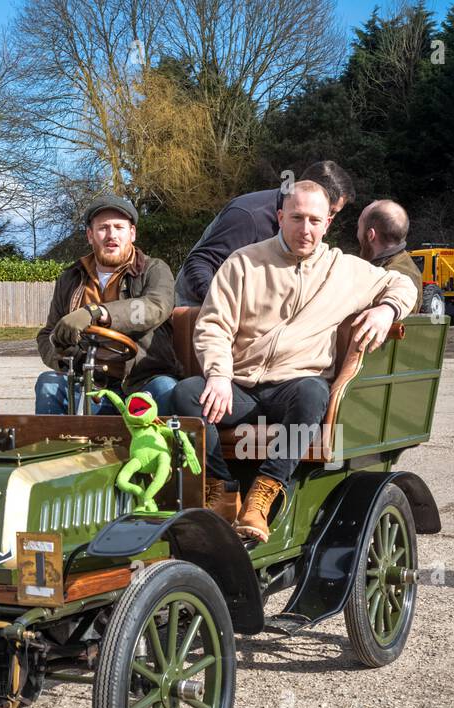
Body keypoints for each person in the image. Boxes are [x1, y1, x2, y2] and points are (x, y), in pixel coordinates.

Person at [171, 180, 418, 542]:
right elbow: (213, 326)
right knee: (186, 394)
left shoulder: (344, 269)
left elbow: (404, 284)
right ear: (280, 217)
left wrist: (386, 310)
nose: (306, 229)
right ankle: (221, 489)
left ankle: (264, 493)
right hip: (240, 389)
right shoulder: (243, 263)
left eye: (315, 220)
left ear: (327, 225)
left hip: (294, 392)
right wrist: (219, 376)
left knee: (314, 392)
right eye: (298, 218)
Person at [35, 194, 178, 415]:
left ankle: (162, 449)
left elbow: (154, 308)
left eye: (119, 227)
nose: (111, 235)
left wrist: (98, 312)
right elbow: (47, 335)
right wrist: (62, 354)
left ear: (132, 233)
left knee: (167, 388)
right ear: (90, 236)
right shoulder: (71, 278)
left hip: (142, 381)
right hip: (89, 382)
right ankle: (54, 449)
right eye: (103, 228)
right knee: (49, 384)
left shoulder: (154, 269)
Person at [173, 161, 355, 308]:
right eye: (330, 211)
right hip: (194, 307)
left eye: (332, 214)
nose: (327, 220)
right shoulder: (250, 216)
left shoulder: (302, 228)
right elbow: (199, 262)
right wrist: (223, 306)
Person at [356, 199, 421, 296]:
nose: (357, 235)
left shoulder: (394, 279)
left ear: (370, 235)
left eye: (359, 228)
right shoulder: (400, 266)